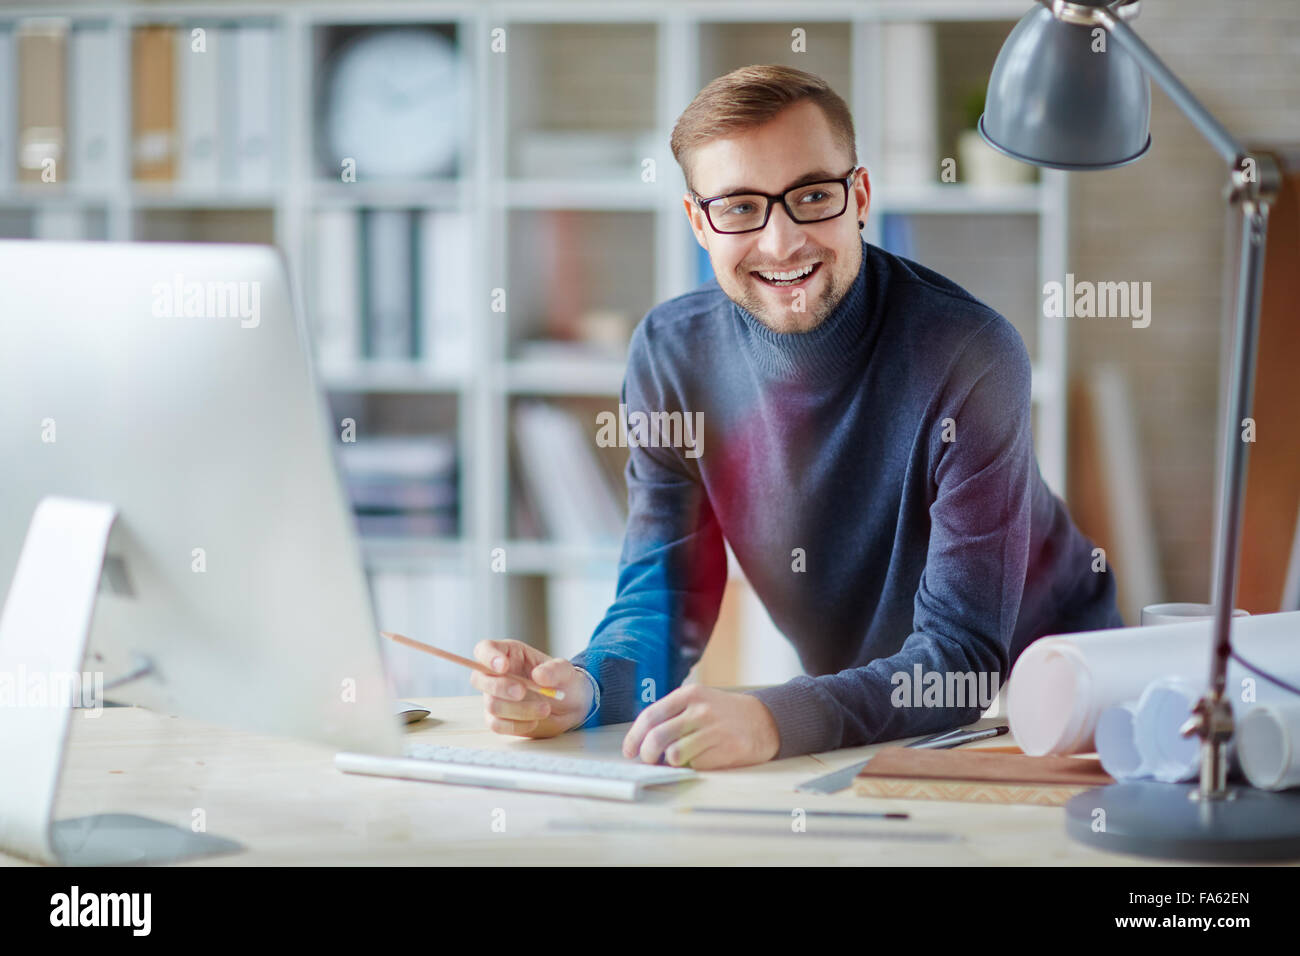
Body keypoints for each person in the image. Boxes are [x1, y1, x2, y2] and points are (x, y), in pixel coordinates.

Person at [470, 65, 1122, 769]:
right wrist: (590, 685)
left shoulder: (969, 354)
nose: (782, 243)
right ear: (698, 222)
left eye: (812, 195)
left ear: (860, 196)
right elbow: (666, 595)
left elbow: (959, 662)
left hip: (1052, 703)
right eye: (741, 207)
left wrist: (777, 719)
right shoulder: (669, 356)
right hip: (877, 713)